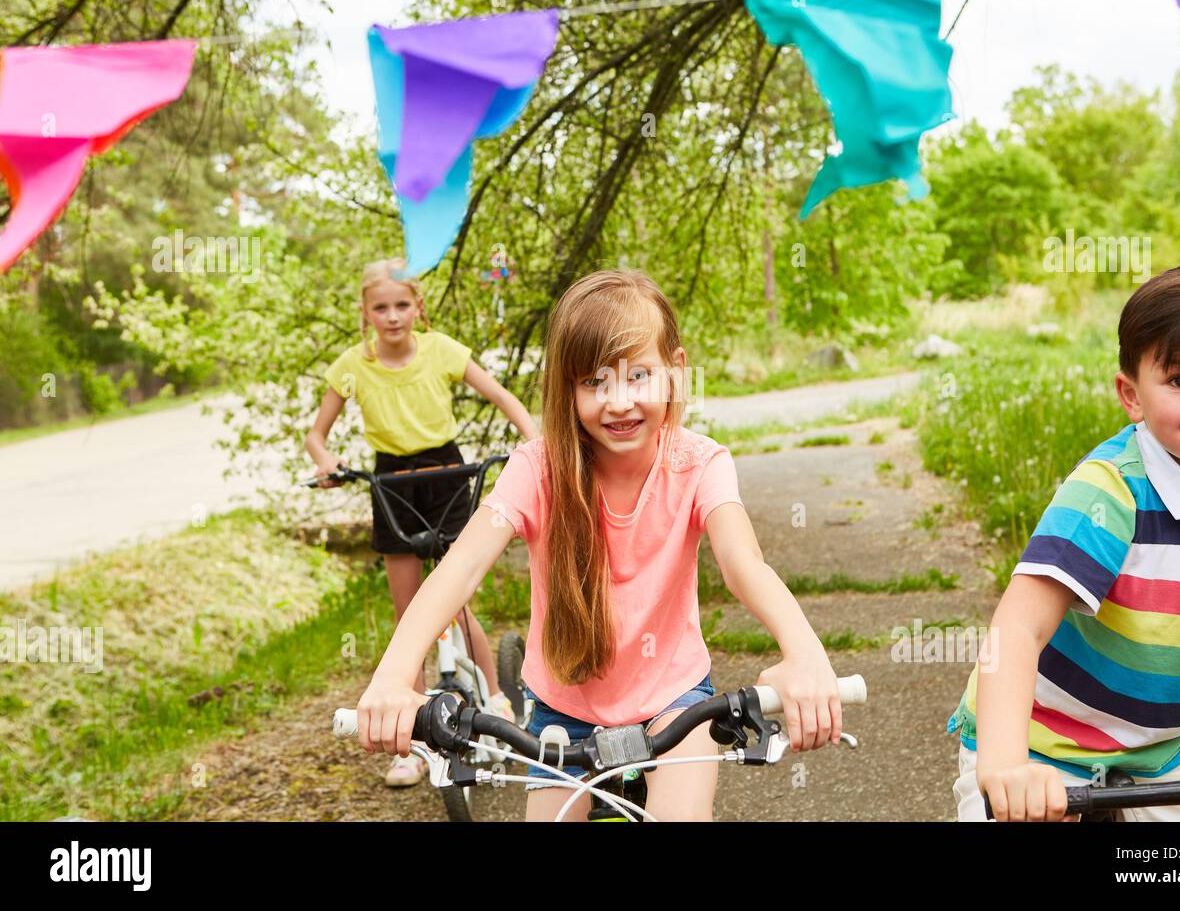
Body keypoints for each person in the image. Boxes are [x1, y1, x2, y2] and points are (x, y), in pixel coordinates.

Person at [354, 268, 844, 821]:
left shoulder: (699, 463)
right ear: (568, 386)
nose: (618, 401)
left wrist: (803, 653)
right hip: (562, 711)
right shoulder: (537, 469)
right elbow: (461, 567)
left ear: (675, 373)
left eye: (638, 375)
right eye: (593, 382)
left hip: (674, 699)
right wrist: (393, 677)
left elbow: (743, 563)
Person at [950, 264, 1180, 822]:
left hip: (1164, 752)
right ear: (1131, 395)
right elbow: (1017, 630)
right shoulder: (1109, 492)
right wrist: (1006, 764)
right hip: (1042, 744)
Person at [306, 257, 539, 787]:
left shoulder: (442, 350)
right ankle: (406, 743)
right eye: (381, 308)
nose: (392, 316)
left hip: (448, 472)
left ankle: (500, 704)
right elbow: (316, 434)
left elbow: (505, 398)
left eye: (402, 305)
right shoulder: (351, 364)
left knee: (454, 599)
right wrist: (325, 462)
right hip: (391, 480)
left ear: (418, 308)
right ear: (365, 313)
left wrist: (530, 437)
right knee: (408, 609)